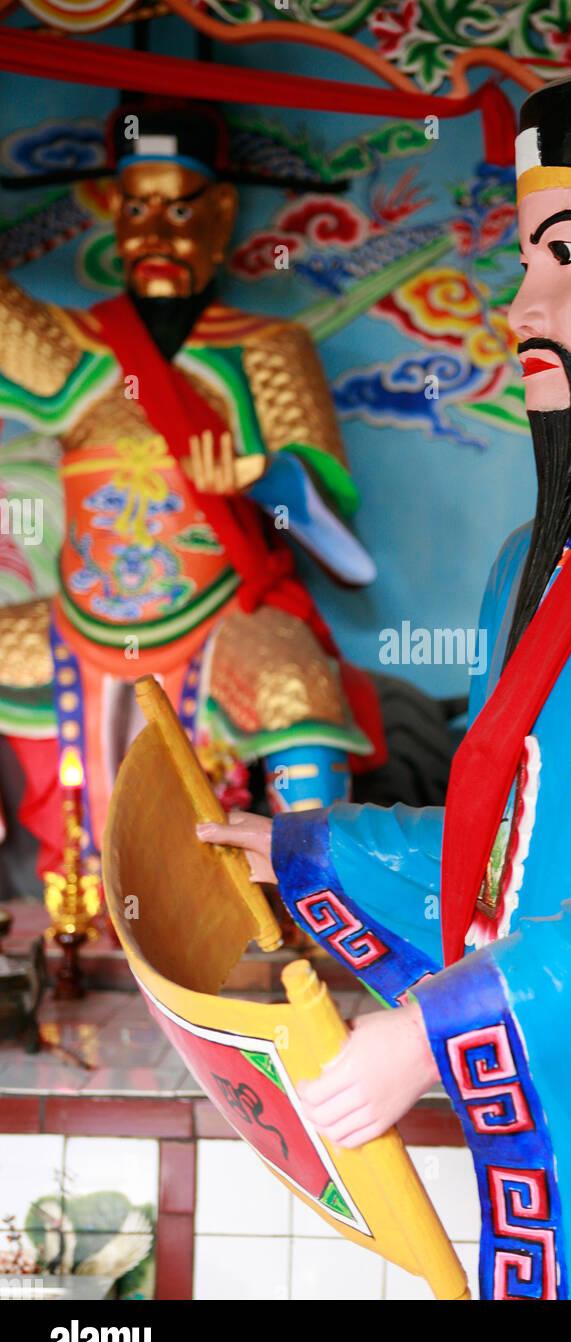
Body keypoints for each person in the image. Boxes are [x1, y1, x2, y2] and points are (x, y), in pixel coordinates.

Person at [197, 0, 571, 1300]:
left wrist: (430, 1030)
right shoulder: (521, 566)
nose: (521, 303)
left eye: (563, 252)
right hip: (550, 1110)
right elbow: (511, 859)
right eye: (522, 260)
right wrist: (311, 848)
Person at [0, 99, 381, 872]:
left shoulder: (270, 348)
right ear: (111, 212)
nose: (157, 234)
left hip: (219, 618)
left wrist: (261, 477)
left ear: (222, 213)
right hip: (78, 620)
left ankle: (309, 902)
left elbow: (338, 531)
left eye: (181, 209)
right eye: (137, 208)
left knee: (296, 691)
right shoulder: (74, 348)